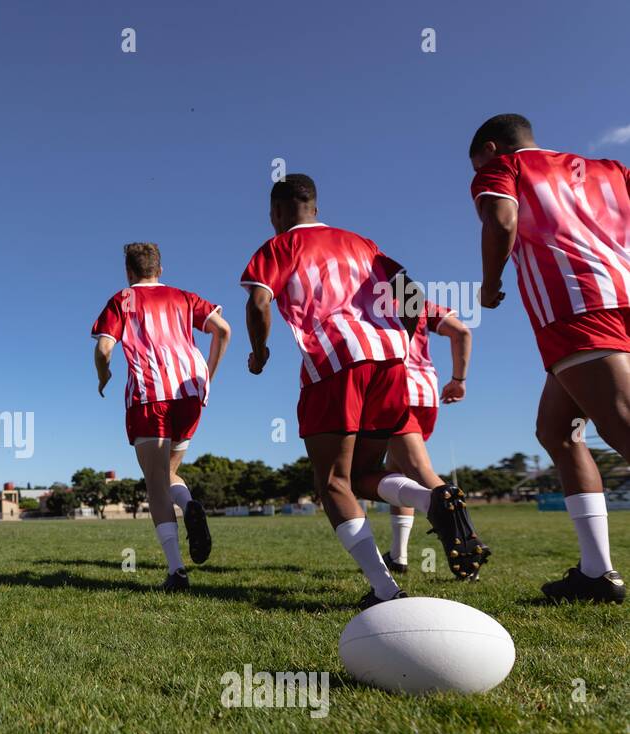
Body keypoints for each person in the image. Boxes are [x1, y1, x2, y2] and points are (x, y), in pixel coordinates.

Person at [241, 174, 489, 609]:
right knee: (360, 476)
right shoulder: (362, 243)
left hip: (336, 360)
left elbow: (259, 301)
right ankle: (434, 498)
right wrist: (402, 341)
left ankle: (384, 588)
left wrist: (259, 352)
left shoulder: (279, 246)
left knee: (333, 482)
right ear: (315, 208)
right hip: (391, 360)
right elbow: (410, 293)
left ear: (276, 212)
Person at [470, 113, 628, 604]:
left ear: (491, 149)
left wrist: (491, 281)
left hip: (575, 307)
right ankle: (595, 573)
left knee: (622, 424)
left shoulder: (505, 167)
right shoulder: (610, 169)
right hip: (620, 295)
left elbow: (501, 220)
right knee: (556, 431)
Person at [92, 242, 230, 590]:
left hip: (150, 394)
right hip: (190, 391)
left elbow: (103, 347)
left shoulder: (122, 299)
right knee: (169, 472)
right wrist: (208, 373)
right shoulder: (184, 296)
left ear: (128, 272)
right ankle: (189, 503)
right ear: (160, 269)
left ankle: (176, 571)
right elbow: (223, 330)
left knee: (154, 481)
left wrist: (103, 375)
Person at [384, 302, 474, 573]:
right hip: (425, 393)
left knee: (419, 471)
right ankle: (398, 556)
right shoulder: (419, 302)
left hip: (393, 389)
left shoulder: (362, 298)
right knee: (397, 472)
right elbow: (461, 333)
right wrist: (459, 379)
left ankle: (468, 546)